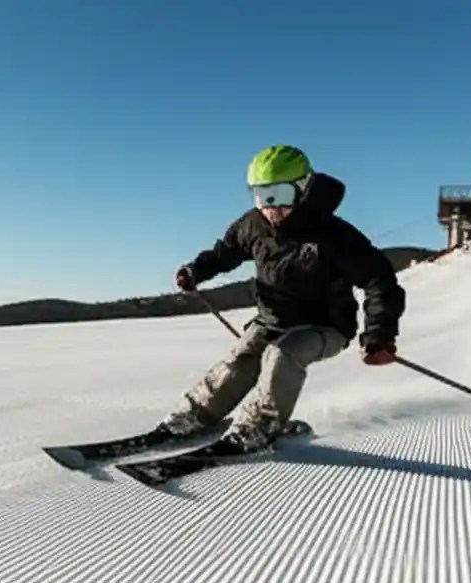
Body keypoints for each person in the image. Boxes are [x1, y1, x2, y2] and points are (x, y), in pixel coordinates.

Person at [160, 144, 405, 452]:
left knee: (282, 354)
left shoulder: (334, 235)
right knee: (240, 360)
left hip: (326, 325)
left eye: (279, 196)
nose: (270, 208)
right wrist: (196, 271)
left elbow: (380, 281)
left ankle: (261, 426)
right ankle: (195, 417)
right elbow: (226, 251)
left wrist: (379, 335)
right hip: (273, 319)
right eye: (262, 197)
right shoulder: (254, 224)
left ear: (303, 189)